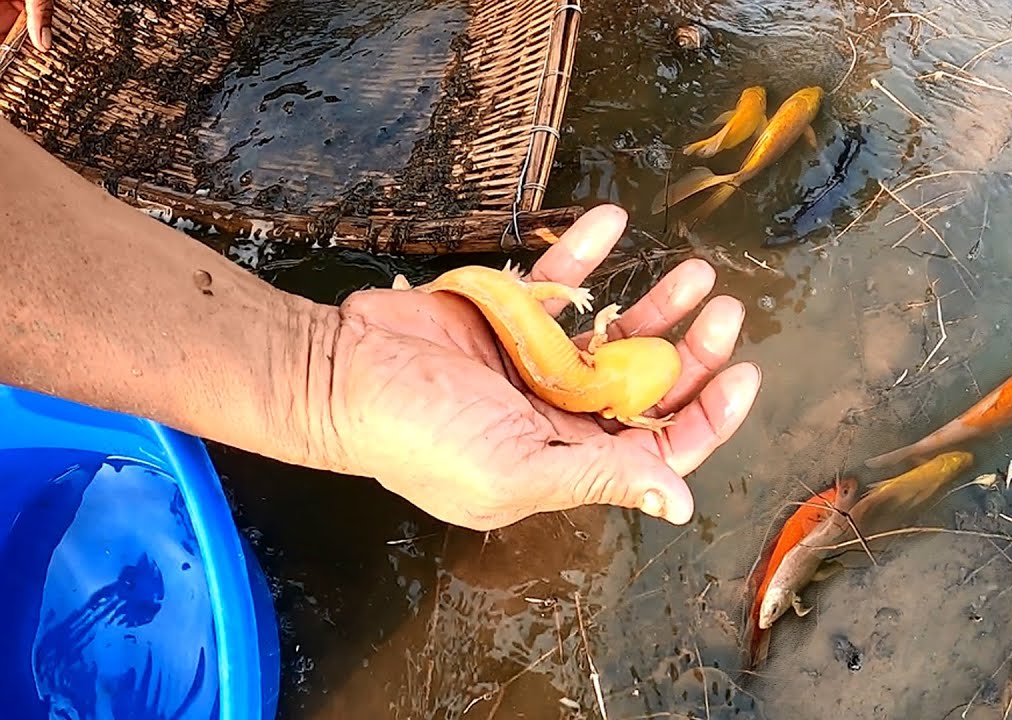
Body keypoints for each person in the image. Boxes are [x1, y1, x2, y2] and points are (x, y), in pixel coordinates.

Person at [0, 3, 761, 533]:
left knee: (499, 297)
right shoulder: (609, 389)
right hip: (537, 341)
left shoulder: (595, 375)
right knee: (499, 297)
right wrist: (324, 378)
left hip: (537, 340)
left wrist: (328, 374)